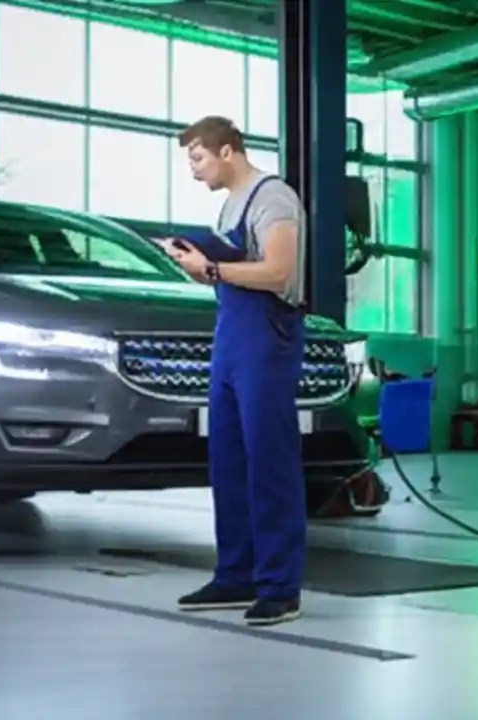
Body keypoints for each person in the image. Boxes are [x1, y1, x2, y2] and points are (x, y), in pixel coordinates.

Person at [169, 115, 308, 626]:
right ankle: (236, 575)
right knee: (227, 459)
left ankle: (279, 586)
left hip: (265, 337)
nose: (194, 171)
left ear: (228, 151)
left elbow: (278, 271)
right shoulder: (230, 206)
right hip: (231, 337)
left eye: (198, 159)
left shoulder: (272, 197)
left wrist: (209, 268)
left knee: (269, 459)